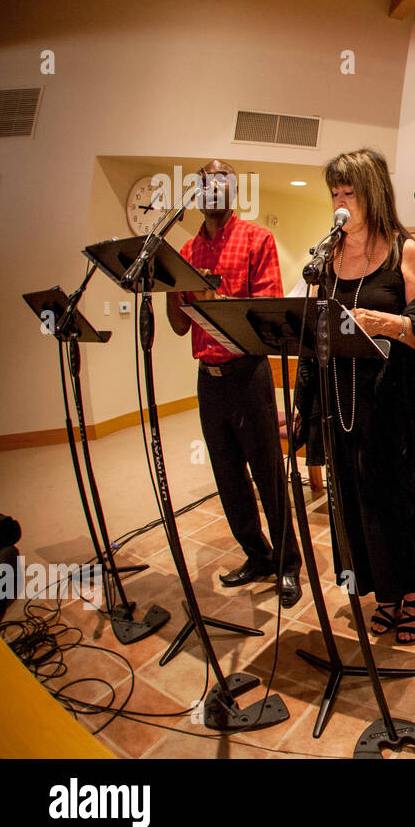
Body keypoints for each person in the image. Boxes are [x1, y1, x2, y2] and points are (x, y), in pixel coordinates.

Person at [294, 148, 415, 644]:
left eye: (350, 192)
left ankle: (412, 594)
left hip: (393, 405)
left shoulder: (402, 251)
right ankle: (383, 592)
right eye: (336, 193)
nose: (341, 201)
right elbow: (310, 333)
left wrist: (387, 322)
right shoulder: (325, 258)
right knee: (357, 500)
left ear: (373, 194)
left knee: (397, 501)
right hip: (342, 405)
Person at [166, 160, 301, 608]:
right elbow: (179, 327)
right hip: (209, 380)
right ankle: (258, 555)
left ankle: (287, 562)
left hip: (248, 375)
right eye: (204, 182)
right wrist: (172, 285)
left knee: (266, 474)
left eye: (221, 181)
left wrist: (213, 297)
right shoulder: (186, 251)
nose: (212, 188)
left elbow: (265, 313)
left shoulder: (256, 239)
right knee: (228, 478)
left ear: (233, 190)